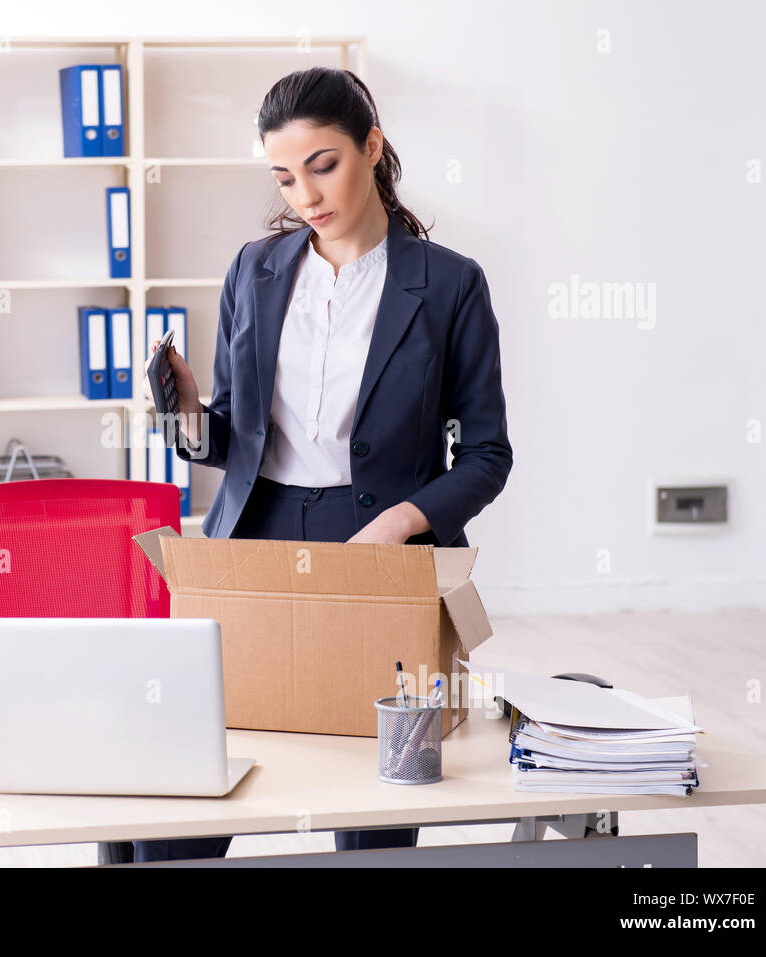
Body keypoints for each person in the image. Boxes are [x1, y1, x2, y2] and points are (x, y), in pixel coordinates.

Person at [137, 66, 514, 862]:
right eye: (284, 174)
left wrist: (403, 522)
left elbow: (486, 454)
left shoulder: (448, 284)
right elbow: (229, 444)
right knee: (191, 788)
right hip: (253, 533)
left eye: (324, 164)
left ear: (371, 147)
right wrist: (186, 416)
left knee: (372, 799)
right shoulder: (255, 269)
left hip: (374, 542)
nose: (305, 194)